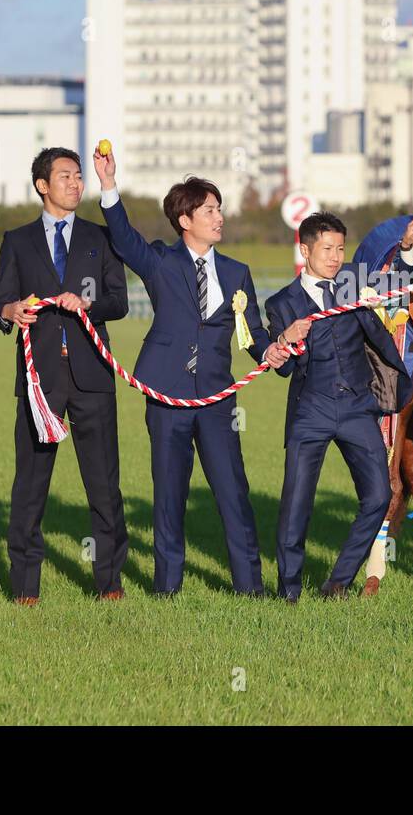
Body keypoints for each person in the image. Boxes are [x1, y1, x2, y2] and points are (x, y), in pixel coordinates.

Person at [94, 149, 271, 597]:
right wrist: (109, 185)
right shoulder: (159, 262)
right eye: (209, 210)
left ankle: (250, 587)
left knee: (233, 494)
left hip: (217, 400)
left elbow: (251, 333)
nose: (219, 217)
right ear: (185, 219)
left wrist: (273, 351)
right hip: (166, 395)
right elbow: (123, 237)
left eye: (219, 209)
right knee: (169, 497)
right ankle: (166, 589)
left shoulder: (237, 272)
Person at [0, 148, 129, 605]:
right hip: (39, 380)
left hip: (92, 376)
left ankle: (109, 582)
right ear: (42, 185)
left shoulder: (101, 237)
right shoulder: (17, 240)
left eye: (78, 176)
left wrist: (89, 305)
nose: (75, 183)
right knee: (30, 486)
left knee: (104, 485)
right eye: (65, 176)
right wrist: (11, 310)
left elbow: (120, 301)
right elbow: (2, 306)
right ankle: (25, 586)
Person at [263, 212, 413, 602]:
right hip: (310, 409)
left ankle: (338, 584)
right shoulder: (282, 302)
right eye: (327, 248)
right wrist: (287, 339)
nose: (335, 257)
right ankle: (289, 593)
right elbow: (284, 370)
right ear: (305, 250)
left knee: (380, 497)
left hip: (357, 407)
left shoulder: (353, 288)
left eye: (340, 248)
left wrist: (408, 252)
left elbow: (402, 282)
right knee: (296, 505)